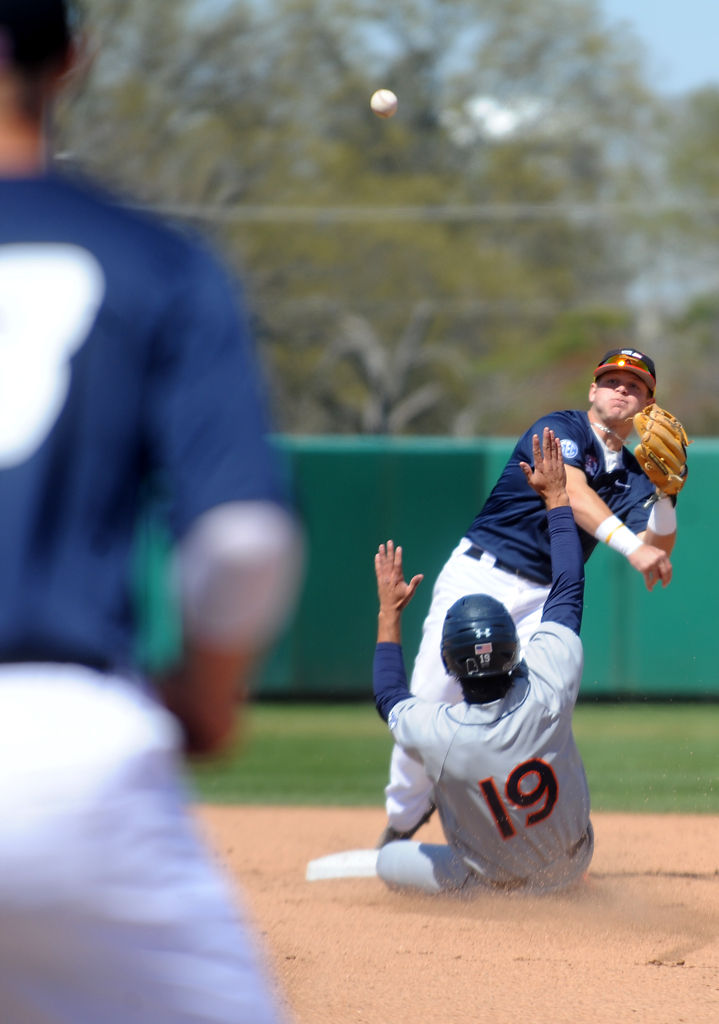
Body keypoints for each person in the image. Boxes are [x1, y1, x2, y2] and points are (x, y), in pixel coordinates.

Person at [0, 2, 302, 1022]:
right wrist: (208, 697)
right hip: (58, 751)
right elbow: (242, 539)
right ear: (71, 61)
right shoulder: (154, 260)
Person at [381, 347, 679, 845]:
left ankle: (528, 834)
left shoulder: (633, 476)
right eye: (611, 380)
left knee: (534, 712)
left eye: (635, 386)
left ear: (648, 403)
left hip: (544, 595)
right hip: (480, 576)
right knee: (432, 696)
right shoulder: (561, 429)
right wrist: (632, 549)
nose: (620, 389)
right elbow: (571, 492)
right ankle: (403, 816)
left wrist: (668, 497)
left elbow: (657, 546)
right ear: (592, 390)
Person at [372, 428, 593, 894]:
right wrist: (557, 496)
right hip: (574, 862)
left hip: (495, 887)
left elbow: (389, 694)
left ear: (450, 667)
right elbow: (568, 582)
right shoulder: (549, 688)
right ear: (515, 650)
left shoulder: (439, 733)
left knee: (389, 858)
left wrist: (389, 615)